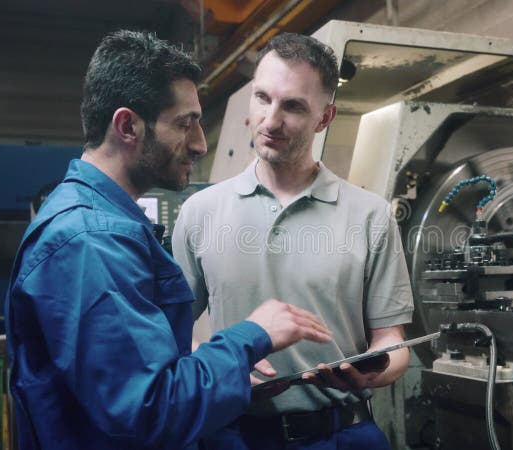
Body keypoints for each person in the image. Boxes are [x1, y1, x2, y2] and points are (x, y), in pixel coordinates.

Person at [5, 30, 332, 450]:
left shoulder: (102, 223)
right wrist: (252, 334)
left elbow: (142, 376)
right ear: (127, 125)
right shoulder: (92, 242)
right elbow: (151, 409)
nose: (199, 143)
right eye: (185, 124)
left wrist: (226, 376)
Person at [172, 33, 414, 449]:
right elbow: (172, 334)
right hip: (234, 434)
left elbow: (392, 341)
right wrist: (219, 366)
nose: (270, 120)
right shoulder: (200, 211)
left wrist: (373, 370)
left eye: (293, 106)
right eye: (262, 98)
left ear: (325, 117)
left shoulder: (370, 215)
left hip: (342, 433)